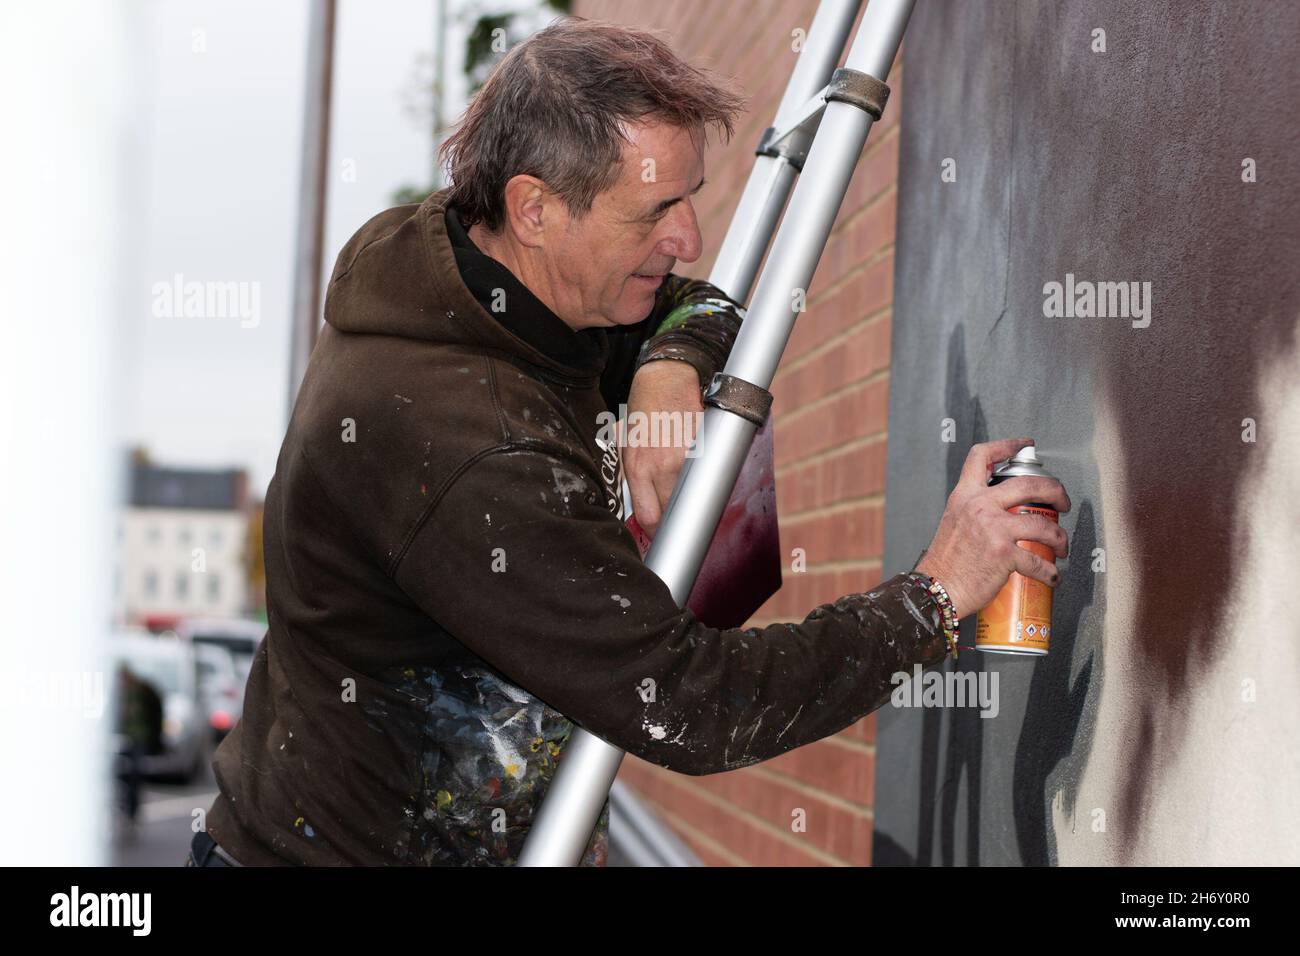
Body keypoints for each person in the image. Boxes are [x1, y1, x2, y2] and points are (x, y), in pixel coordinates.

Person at [197, 16, 1069, 867]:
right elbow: (695, 704)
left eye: (690, 197)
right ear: (534, 208)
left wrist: (666, 370)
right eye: (655, 208)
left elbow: (707, 302)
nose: (686, 234)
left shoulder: (500, 289)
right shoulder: (464, 447)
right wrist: (941, 591)